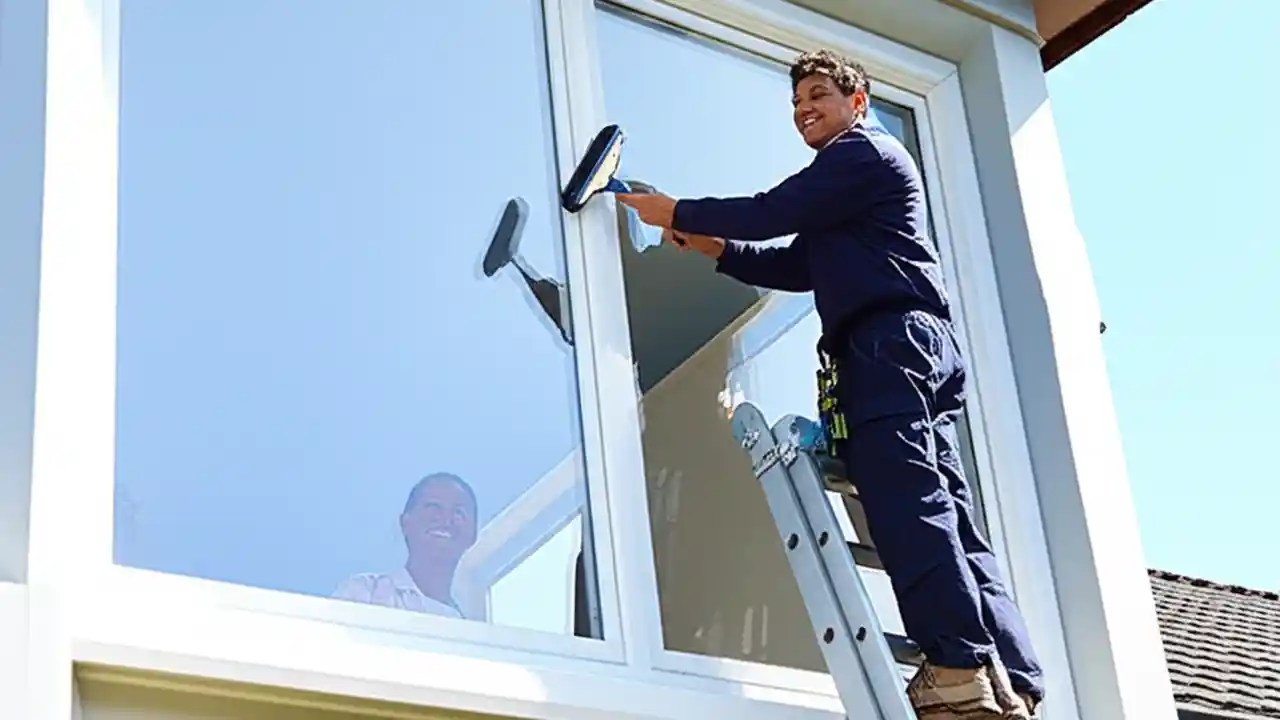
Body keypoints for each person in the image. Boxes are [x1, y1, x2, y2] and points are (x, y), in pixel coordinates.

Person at [617, 49, 1045, 719]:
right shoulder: (851, 194)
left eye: (817, 95)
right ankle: (1009, 677)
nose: (803, 110)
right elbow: (798, 264)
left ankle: (959, 668)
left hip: (886, 346)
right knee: (950, 515)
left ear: (858, 101)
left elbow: (770, 210)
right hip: (913, 344)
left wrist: (679, 209)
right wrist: (717, 250)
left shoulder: (861, 157)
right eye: (795, 104)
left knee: (908, 505)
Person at [334, 472, 479, 619]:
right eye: (433, 508)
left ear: (473, 534)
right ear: (405, 523)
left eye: (458, 512)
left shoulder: (474, 626)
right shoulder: (364, 593)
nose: (446, 520)